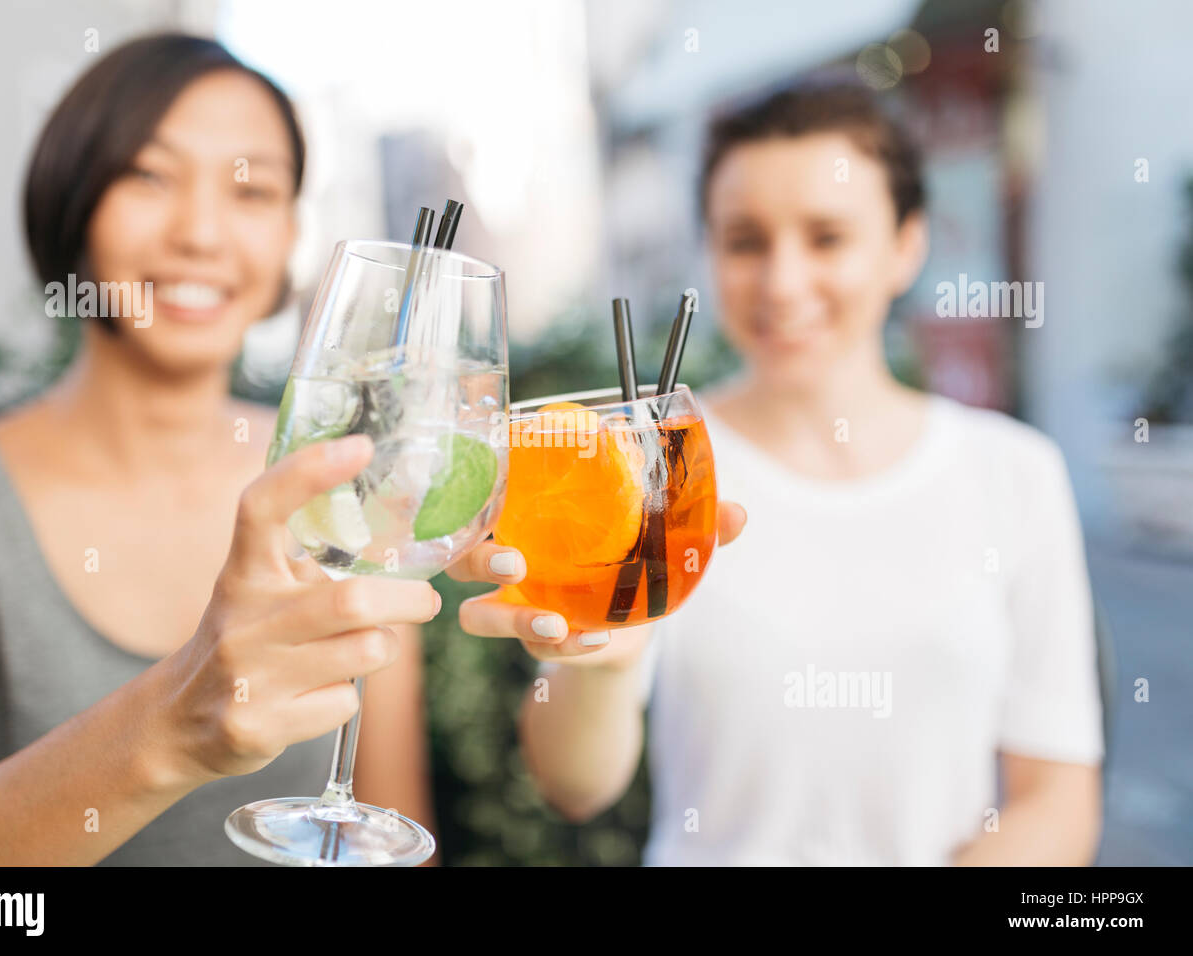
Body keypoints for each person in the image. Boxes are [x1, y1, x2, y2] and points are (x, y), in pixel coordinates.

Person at [0, 33, 510, 866]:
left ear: (293, 228)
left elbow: (386, 831)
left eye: (252, 189)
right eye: (150, 176)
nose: (202, 233)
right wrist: (171, 732)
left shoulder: (348, 479)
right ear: (71, 199)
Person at [460, 83, 1105, 865]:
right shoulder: (664, 471)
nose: (782, 283)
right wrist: (607, 656)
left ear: (907, 244)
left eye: (827, 238)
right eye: (745, 241)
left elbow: (1056, 800)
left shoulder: (1015, 473)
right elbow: (575, 785)